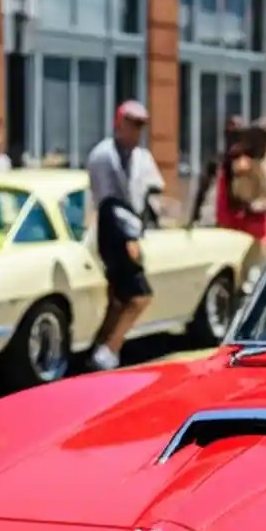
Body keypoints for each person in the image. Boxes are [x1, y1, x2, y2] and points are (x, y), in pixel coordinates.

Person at [85, 101, 164, 370]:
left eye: (140, 125)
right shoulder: (103, 155)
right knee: (139, 296)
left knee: (119, 298)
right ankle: (110, 348)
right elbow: (108, 203)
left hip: (134, 227)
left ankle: (99, 347)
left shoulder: (142, 157)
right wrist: (129, 238)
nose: (136, 130)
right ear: (118, 123)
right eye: (131, 123)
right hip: (112, 230)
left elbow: (153, 190)